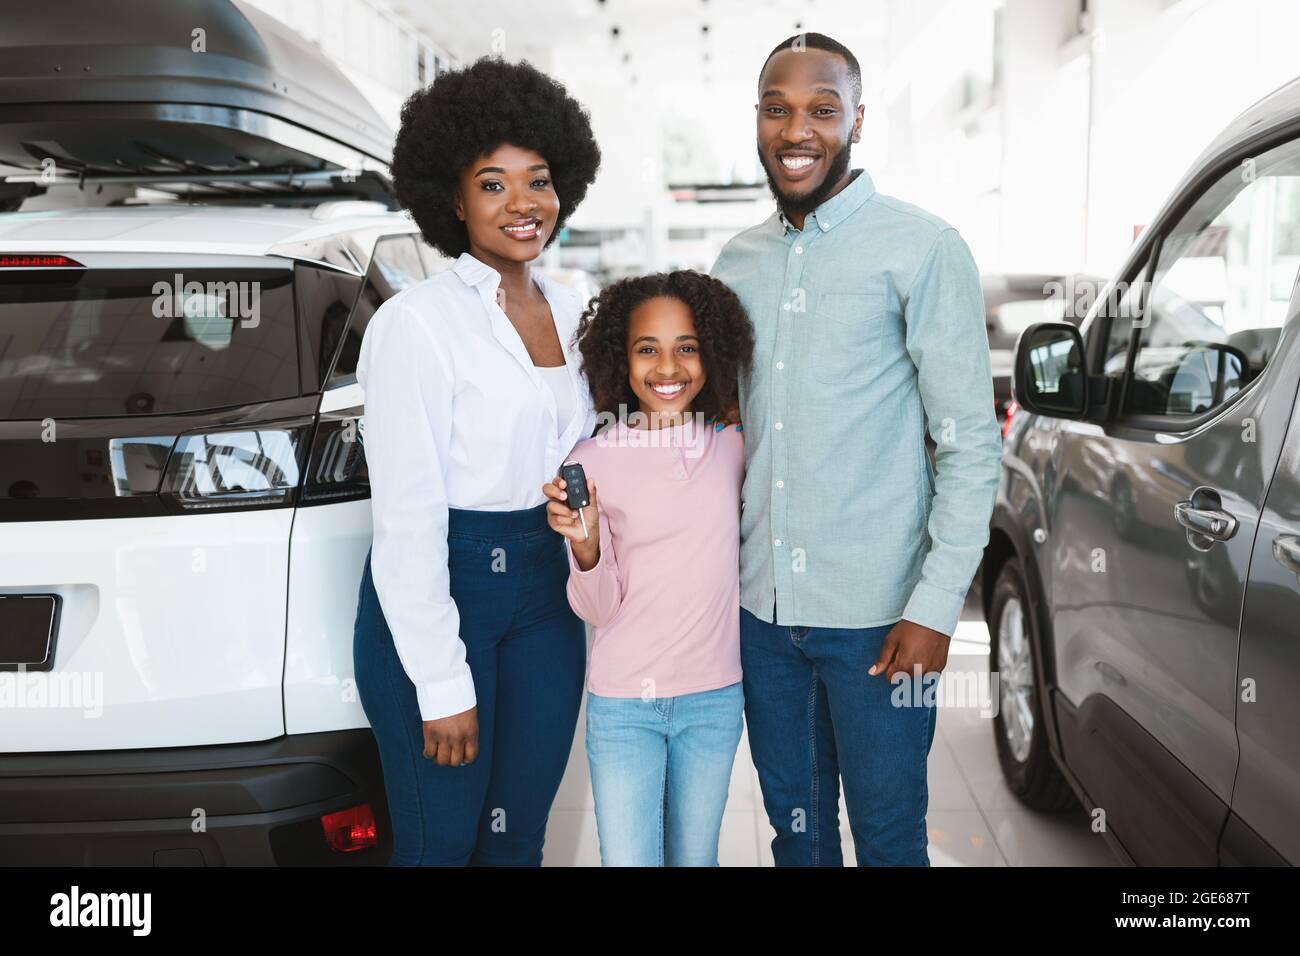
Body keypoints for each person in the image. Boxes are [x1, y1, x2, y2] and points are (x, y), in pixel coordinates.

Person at [710, 32, 1002, 866]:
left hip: (886, 620)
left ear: (858, 121)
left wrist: (936, 607)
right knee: (795, 835)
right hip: (765, 620)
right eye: (777, 109)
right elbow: (726, 431)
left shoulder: (924, 247)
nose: (796, 130)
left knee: (890, 837)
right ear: (758, 120)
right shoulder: (737, 262)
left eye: (822, 110)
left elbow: (970, 444)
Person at [351, 57, 601, 866]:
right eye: (493, 184)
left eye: (539, 180)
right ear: (451, 200)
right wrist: (441, 683)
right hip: (446, 589)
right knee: (441, 842)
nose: (523, 204)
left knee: (517, 837)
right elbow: (406, 522)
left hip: (547, 596)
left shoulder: (572, 309)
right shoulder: (416, 325)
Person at [542, 271, 753, 866]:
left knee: (695, 860)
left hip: (713, 698)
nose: (668, 367)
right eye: (647, 350)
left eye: (686, 347)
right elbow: (598, 608)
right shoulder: (592, 459)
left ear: (710, 354)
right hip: (623, 704)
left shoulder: (732, 443)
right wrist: (585, 549)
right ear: (620, 358)